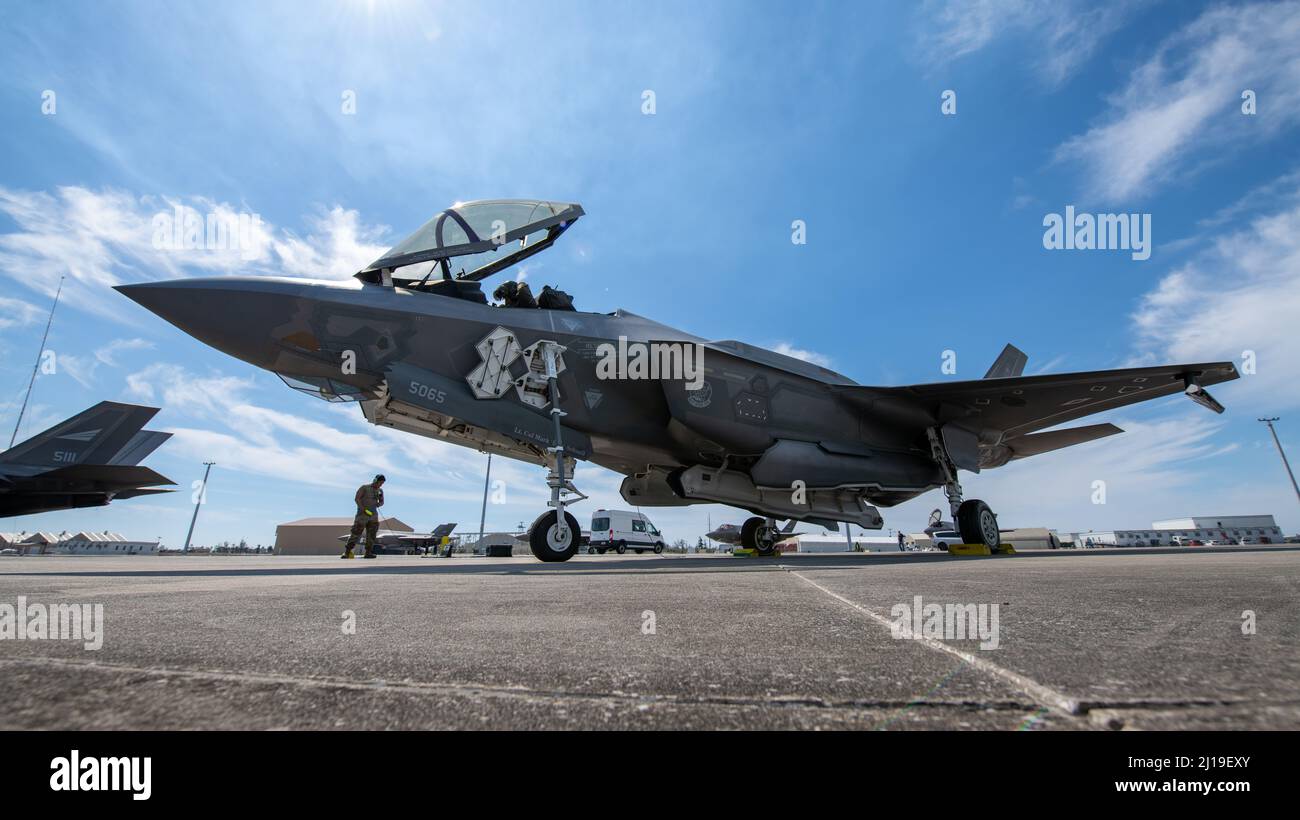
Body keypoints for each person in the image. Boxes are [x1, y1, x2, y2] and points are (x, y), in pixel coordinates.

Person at [341, 474, 386, 559]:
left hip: (373, 516)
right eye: (380, 482)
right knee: (356, 533)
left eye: (382, 483)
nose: (380, 484)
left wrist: (379, 503)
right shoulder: (364, 488)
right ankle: (347, 552)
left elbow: (382, 502)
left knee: (372, 535)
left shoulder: (380, 491)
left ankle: (368, 552)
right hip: (362, 515)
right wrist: (363, 509)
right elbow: (357, 498)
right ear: (375, 480)